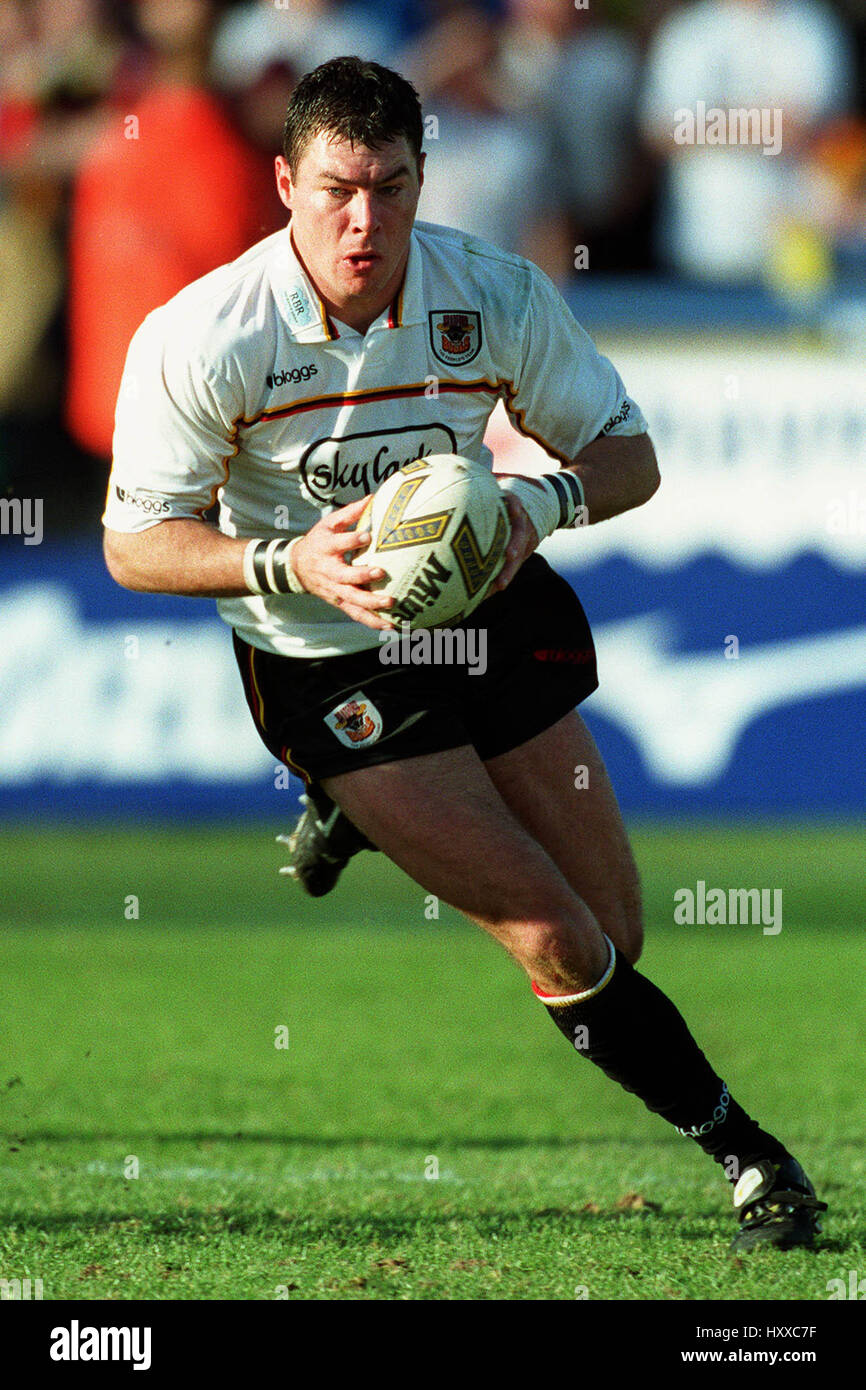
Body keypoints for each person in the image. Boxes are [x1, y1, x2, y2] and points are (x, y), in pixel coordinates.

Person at [102, 56, 826, 1255]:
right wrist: (291, 563)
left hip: (479, 610)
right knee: (551, 935)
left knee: (609, 937)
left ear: (422, 178)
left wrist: (538, 506)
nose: (363, 219)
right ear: (282, 182)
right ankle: (750, 1158)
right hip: (323, 654)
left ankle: (357, 821)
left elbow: (627, 454)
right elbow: (136, 544)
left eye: (390, 186)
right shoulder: (201, 335)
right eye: (336, 186)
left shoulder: (487, 292)